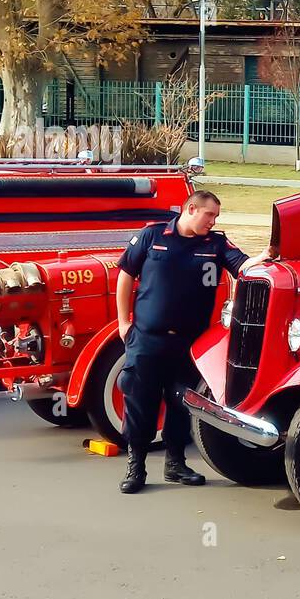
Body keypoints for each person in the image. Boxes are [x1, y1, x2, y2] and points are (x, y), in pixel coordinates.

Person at [114, 190, 273, 495]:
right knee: (140, 402)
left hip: (190, 343)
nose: (212, 222)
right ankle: (136, 467)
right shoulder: (152, 235)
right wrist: (124, 322)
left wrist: (262, 259)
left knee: (180, 402)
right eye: (209, 215)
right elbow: (125, 274)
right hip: (147, 339)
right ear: (190, 209)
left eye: (216, 217)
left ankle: (175, 464)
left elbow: (241, 267)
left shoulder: (214, 243)